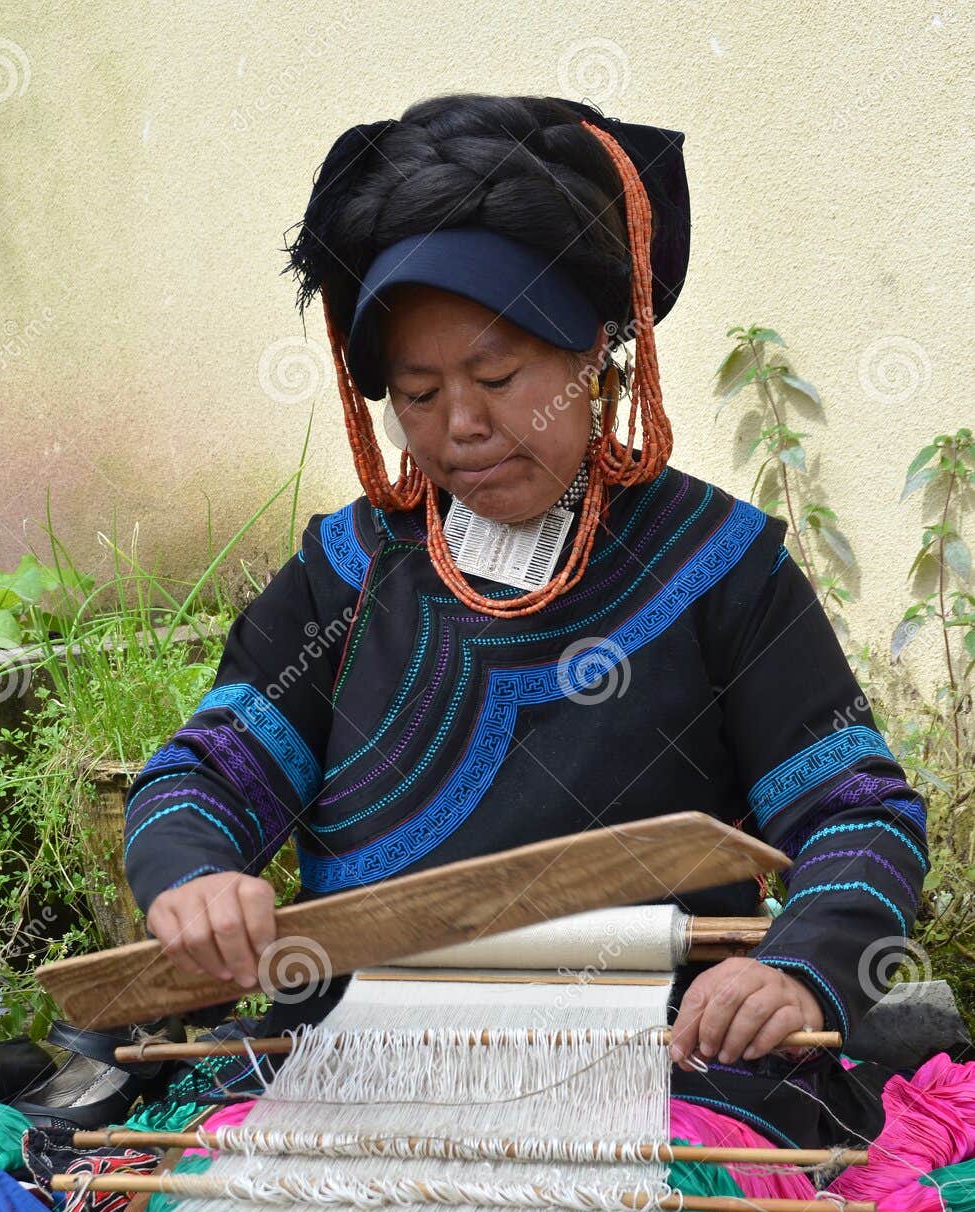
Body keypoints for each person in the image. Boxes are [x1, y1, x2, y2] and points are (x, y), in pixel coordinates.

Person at [123, 93, 930, 1154]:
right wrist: (193, 874)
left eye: (499, 377)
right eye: (416, 394)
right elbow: (202, 776)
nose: (459, 426)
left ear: (593, 357)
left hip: (667, 1070)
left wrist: (794, 964)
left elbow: (858, 813)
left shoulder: (717, 568)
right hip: (357, 1063)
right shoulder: (348, 572)